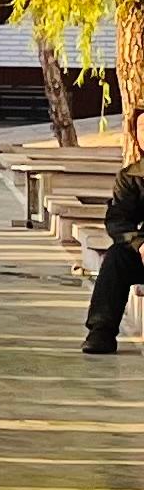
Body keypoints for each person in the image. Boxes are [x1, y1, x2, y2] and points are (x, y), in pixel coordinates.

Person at [87, 153, 144, 359]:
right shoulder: (132, 177)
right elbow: (118, 221)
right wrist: (140, 244)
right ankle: (101, 331)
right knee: (116, 257)